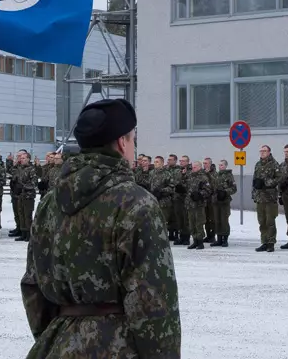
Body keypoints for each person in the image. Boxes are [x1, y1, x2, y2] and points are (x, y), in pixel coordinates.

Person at [21, 98, 180, 358]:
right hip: (118, 347)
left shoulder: (50, 202)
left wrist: (59, 334)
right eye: (133, 139)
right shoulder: (136, 203)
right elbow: (152, 301)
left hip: (58, 345)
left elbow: (33, 284)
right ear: (121, 142)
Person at [251, 145, 280, 252]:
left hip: (269, 198)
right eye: (261, 151)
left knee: (270, 221)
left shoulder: (274, 164)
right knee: (262, 221)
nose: (262, 153)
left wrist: (266, 183)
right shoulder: (258, 165)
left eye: (264, 151)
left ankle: (271, 243)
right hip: (260, 198)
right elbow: (254, 180)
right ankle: (264, 242)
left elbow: (278, 178)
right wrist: (254, 194)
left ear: (269, 152)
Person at [12, 151, 40, 242]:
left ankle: (29, 234)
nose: (22, 160)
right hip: (20, 195)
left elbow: (34, 183)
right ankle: (23, 233)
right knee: (21, 214)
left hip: (28, 196)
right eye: (21, 158)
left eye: (24, 158)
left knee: (27, 215)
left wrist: (23, 186)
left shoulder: (31, 169)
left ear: (28, 159)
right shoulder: (20, 169)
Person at [209, 160, 235, 247]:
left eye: (222, 165)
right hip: (216, 201)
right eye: (219, 165)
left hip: (224, 201)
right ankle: (219, 239)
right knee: (217, 220)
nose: (220, 167)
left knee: (224, 220)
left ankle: (225, 239)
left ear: (226, 166)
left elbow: (234, 188)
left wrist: (225, 192)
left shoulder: (229, 175)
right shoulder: (216, 175)